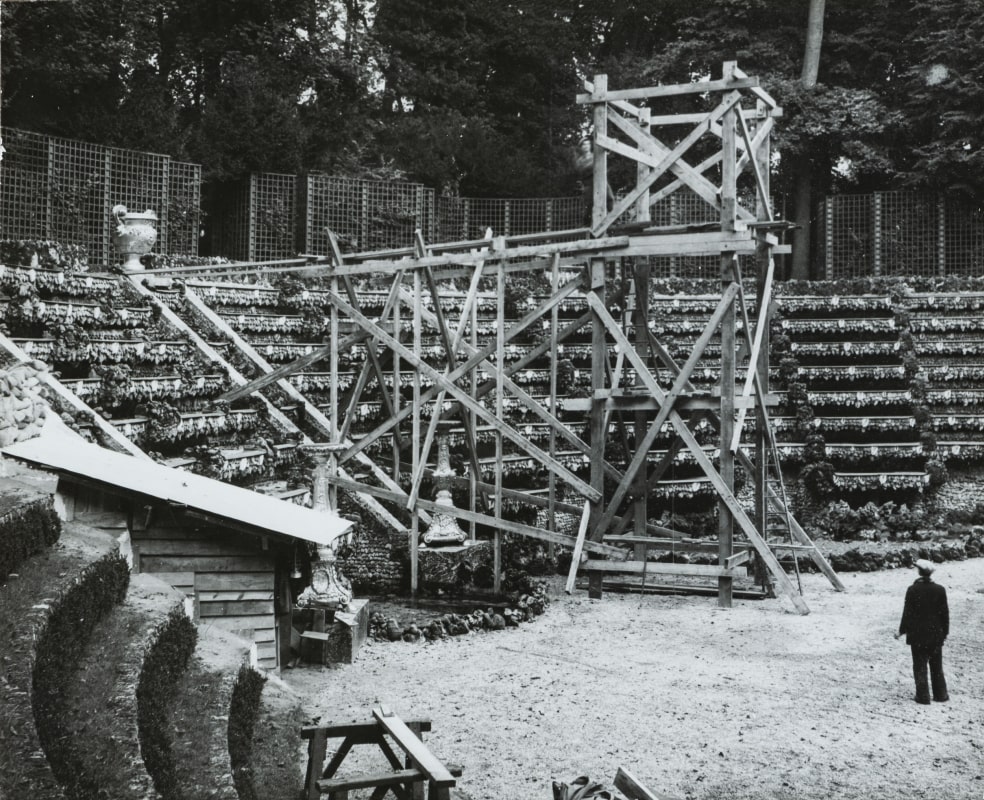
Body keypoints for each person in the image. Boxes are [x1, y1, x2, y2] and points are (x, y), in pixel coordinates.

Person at [895, 558, 949, 704]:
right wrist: (945, 633)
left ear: (919, 571)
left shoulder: (912, 590)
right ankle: (941, 695)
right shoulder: (940, 589)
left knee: (919, 666)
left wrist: (901, 631)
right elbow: (944, 614)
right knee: (937, 666)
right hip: (936, 634)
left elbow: (907, 613)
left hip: (918, 635)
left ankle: (923, 696)